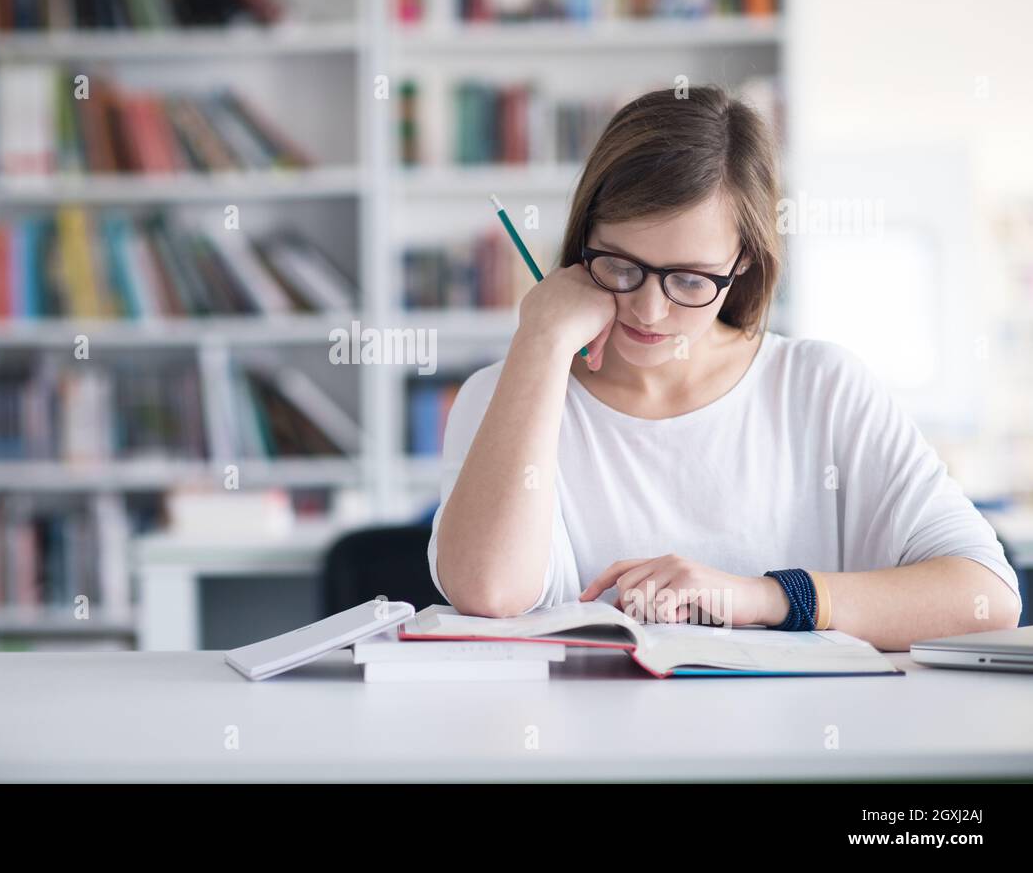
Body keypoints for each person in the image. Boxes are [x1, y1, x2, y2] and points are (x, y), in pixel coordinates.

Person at [427, 85, 1021, 651]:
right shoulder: (505, 395)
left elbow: (986, 598)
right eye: (620, 264)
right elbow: (490, 590)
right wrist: (540, 340)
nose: (649, 309)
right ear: (584, 240)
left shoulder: (819, 387)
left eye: (689, 279)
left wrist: (763, 598)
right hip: (583, 752)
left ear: (742, 266)